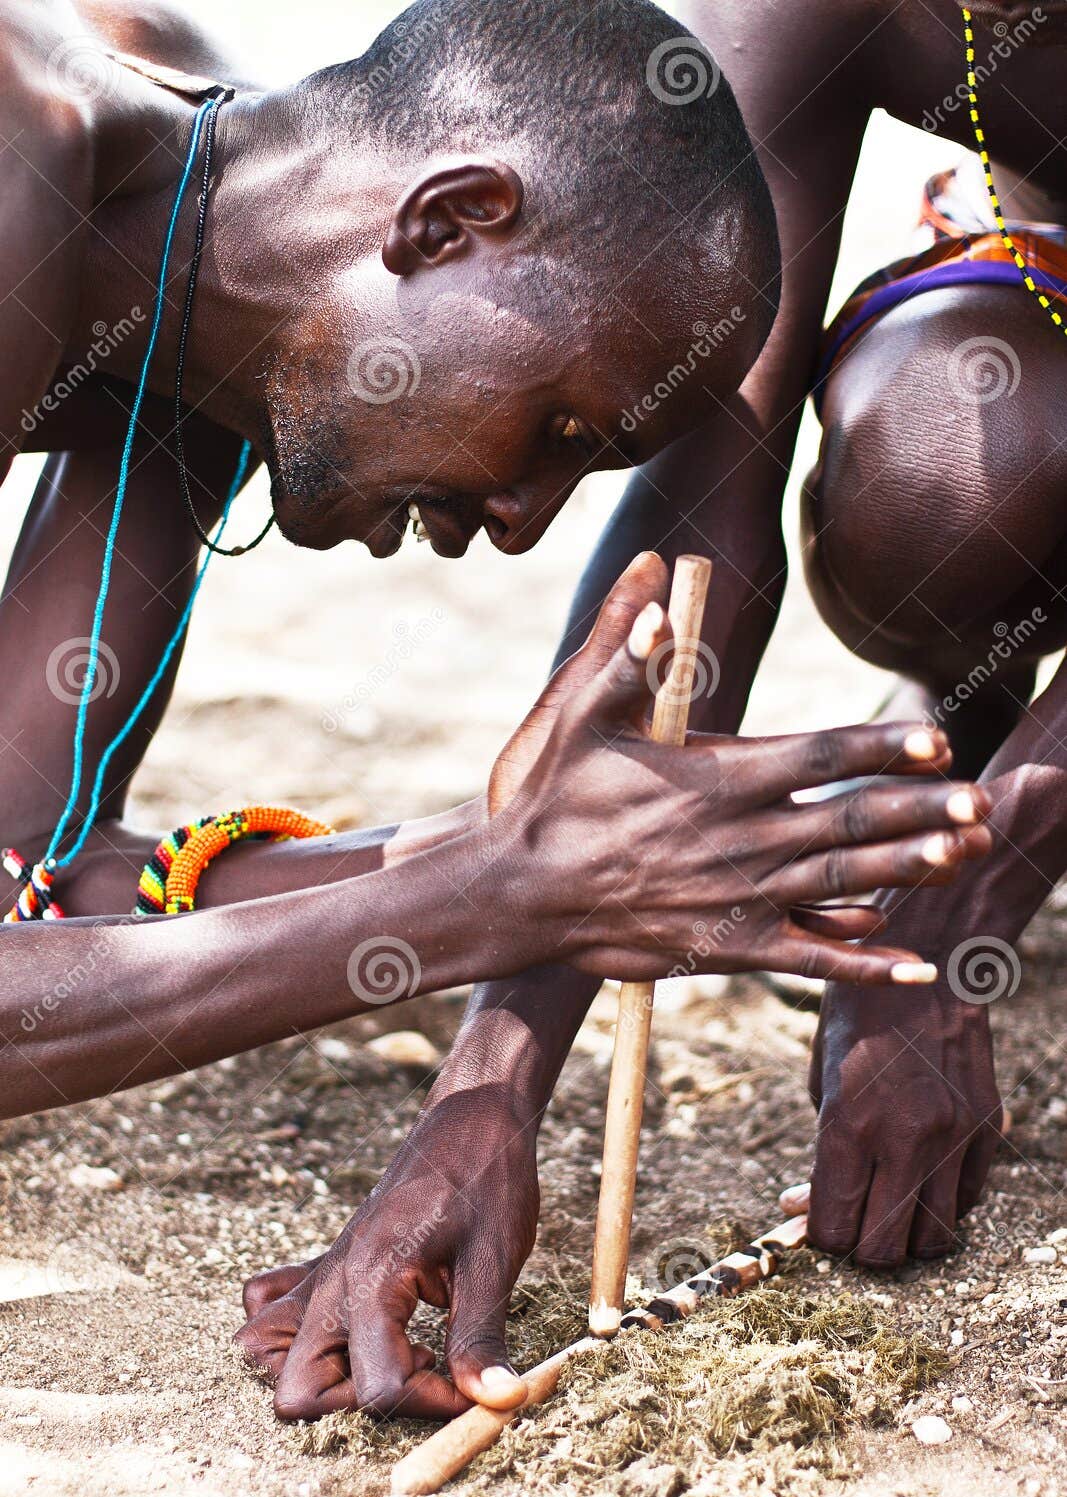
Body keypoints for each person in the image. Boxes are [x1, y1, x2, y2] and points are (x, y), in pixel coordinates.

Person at [0, 0, 990, 1422]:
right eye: (566, 430)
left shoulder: (199, 282)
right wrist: (492, 892)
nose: (524, 521)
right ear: (452, 218)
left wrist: (575, 866)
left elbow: (24, 876)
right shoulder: (24, 162)